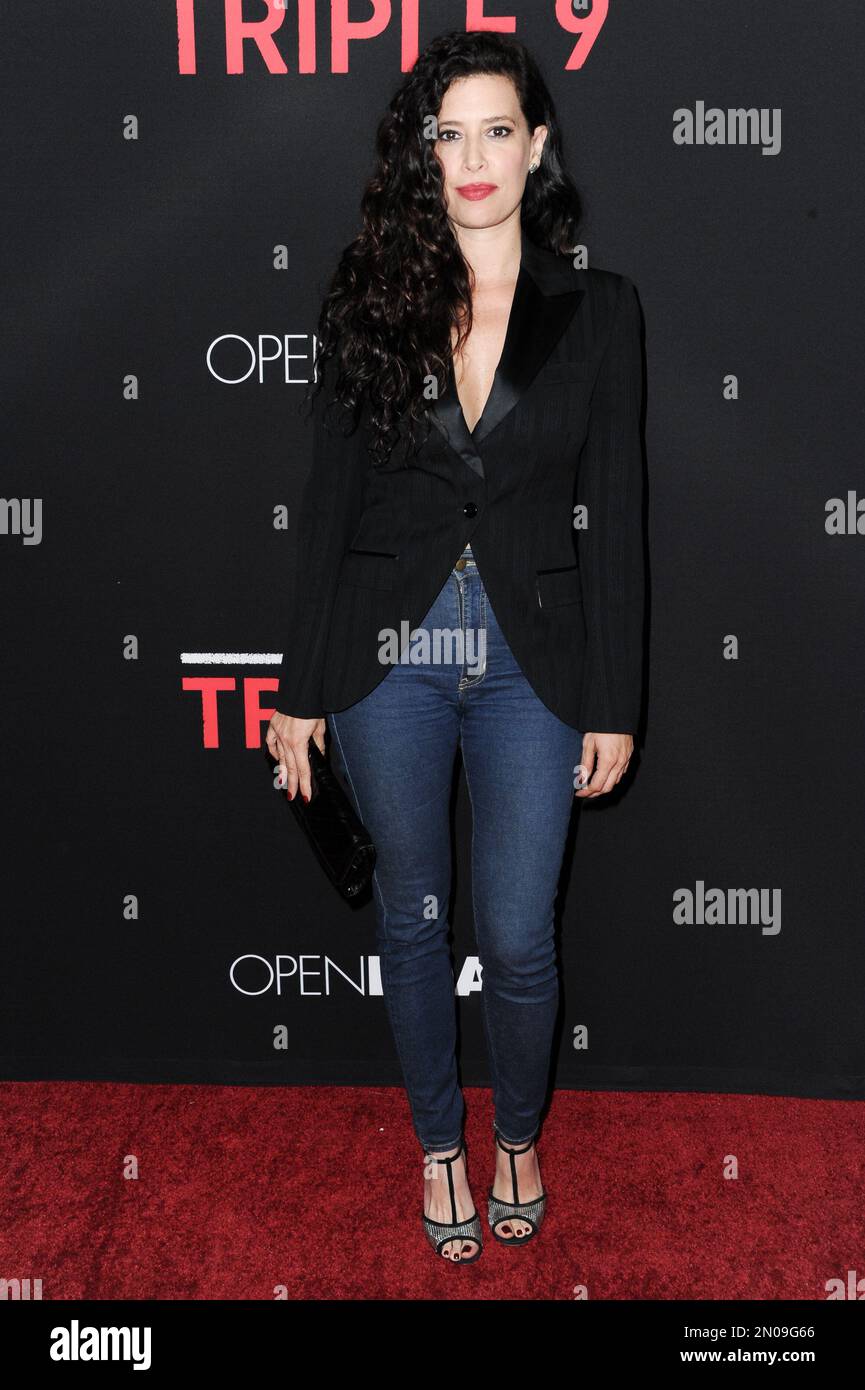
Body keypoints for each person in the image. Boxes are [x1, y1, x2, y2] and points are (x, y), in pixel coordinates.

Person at [266, 29, 646, 1265]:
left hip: (535, 660)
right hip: (390, 664)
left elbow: (620, 522)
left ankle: (519, 1134)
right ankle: (441, 1144)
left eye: (498, 131)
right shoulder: (366, 292)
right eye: (450, 133)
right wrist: (299, 692)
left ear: (536, 149)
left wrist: (615, 698)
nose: (473, 158)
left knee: (521, 930)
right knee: (415, 920)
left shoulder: (601, 312)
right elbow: (328, 504)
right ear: (421, 152)